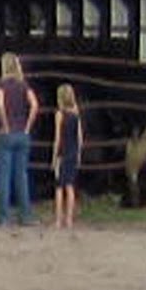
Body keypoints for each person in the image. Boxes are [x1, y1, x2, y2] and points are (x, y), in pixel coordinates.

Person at [0, 52, 40, 226]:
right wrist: (28, 126)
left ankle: (4, 216)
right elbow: (34, 105)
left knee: (4, 177)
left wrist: (5, 124)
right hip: (22, 133)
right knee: (21, 176)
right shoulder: (23, 84)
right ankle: (25, 215)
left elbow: (0, 104)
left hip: (7, 133)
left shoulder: (1, 85)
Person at [52, 83, 83, 228]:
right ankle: (69, 219)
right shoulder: (76, 114)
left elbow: (58, 137)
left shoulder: (60, 114)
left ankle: (58, 219)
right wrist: (79, 154)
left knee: (59, 187)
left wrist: (54, 156)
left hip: (62, 153)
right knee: (70, 186)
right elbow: (80, 137)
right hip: (73, 152)